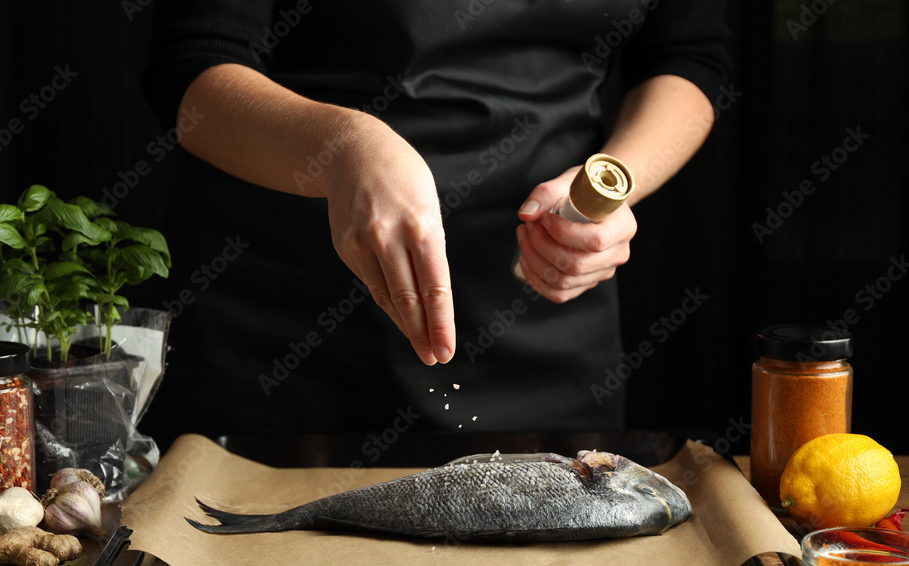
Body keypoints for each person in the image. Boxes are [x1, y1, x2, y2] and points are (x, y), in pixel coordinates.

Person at [139, 1, 731, 444]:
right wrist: (343, 148)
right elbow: (193, 62)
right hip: (286, 331)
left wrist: (611, 183)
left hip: (545, 326)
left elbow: (687, 56)